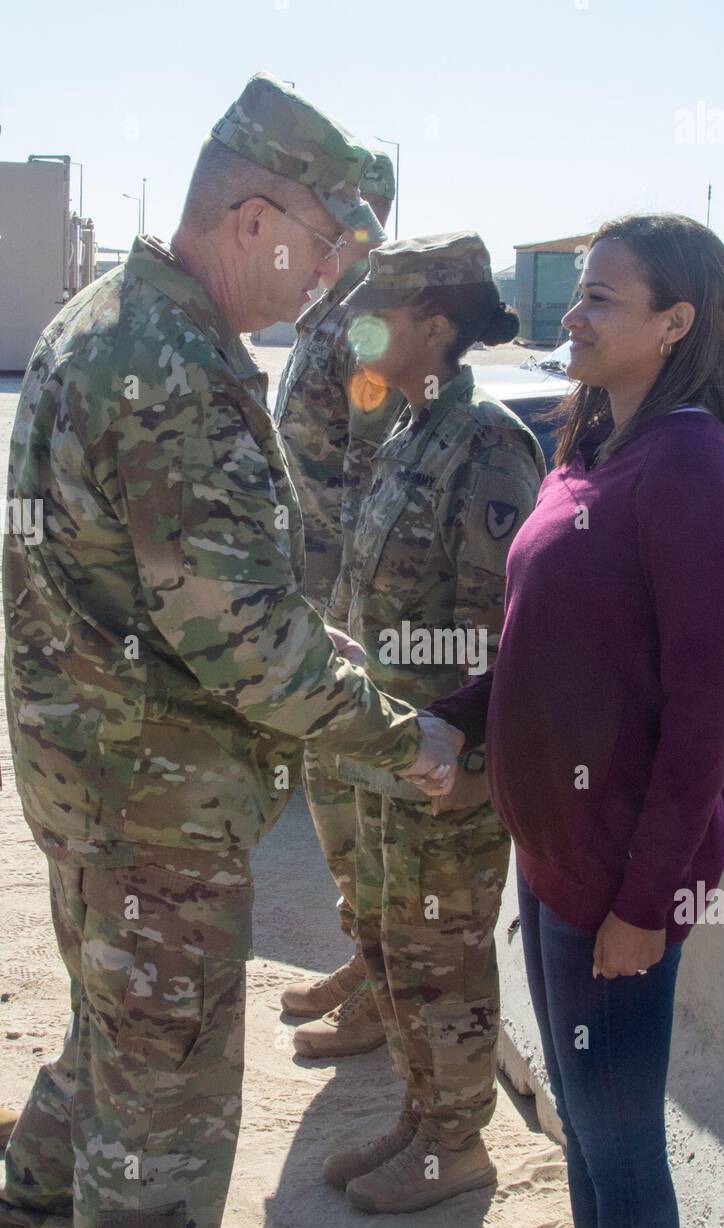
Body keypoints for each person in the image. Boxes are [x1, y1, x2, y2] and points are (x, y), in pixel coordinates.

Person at [0, 73, 459, 1228]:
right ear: (253, 220)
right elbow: (246, 641)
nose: (325, 288)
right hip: (156, 828)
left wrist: (338, 660)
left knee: (109, 1054)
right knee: (162, 1141)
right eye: (317, 252)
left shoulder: (108, 318)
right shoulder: (172, 366)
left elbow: (197, 588)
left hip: (98, 795)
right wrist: (403, 735)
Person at [424, 214, 724, 1228]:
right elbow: (553, 651)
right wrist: (460, 718)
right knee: (582, 1128)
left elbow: (704, 715)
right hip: (556, 862)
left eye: (598, 298)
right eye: (577, 291)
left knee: (617, 1158)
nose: (568, 314)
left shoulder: (690, 470)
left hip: (613, 883)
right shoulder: (595, 443)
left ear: (674, 322)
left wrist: (643, 905)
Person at [320, 232, 546, 1214]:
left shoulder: (489, 442)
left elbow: (504, 633)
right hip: (389, 750)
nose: (357, 328)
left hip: (446, 760)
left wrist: (469, 752)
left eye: (381, 310)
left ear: (437, 325)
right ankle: (422, 1117)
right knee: (390, 939)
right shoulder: (412, 426)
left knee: (439, 950)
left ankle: (456, 1145)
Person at [275, 152, 405, 1059]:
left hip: (353, 601)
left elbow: (372, 465)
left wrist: (359, 604)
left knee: (363, 794)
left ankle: (390, 986)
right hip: (317, 590)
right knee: (331, 789)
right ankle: (366, 954)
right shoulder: (328, 308)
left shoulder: (365, 314)